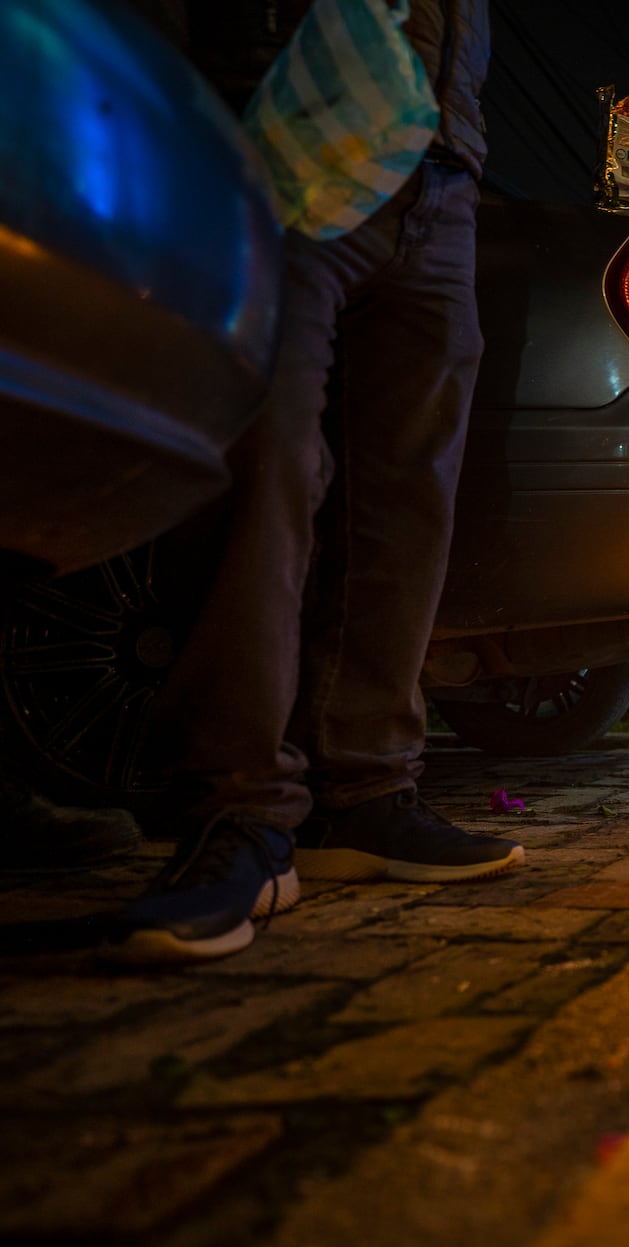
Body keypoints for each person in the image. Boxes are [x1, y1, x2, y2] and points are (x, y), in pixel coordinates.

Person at [106, 0, 519, 965]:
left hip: (439, 167)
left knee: (408, 494)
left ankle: (366, 794)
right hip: (284, 114)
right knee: (267, 456)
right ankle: (235, 807)